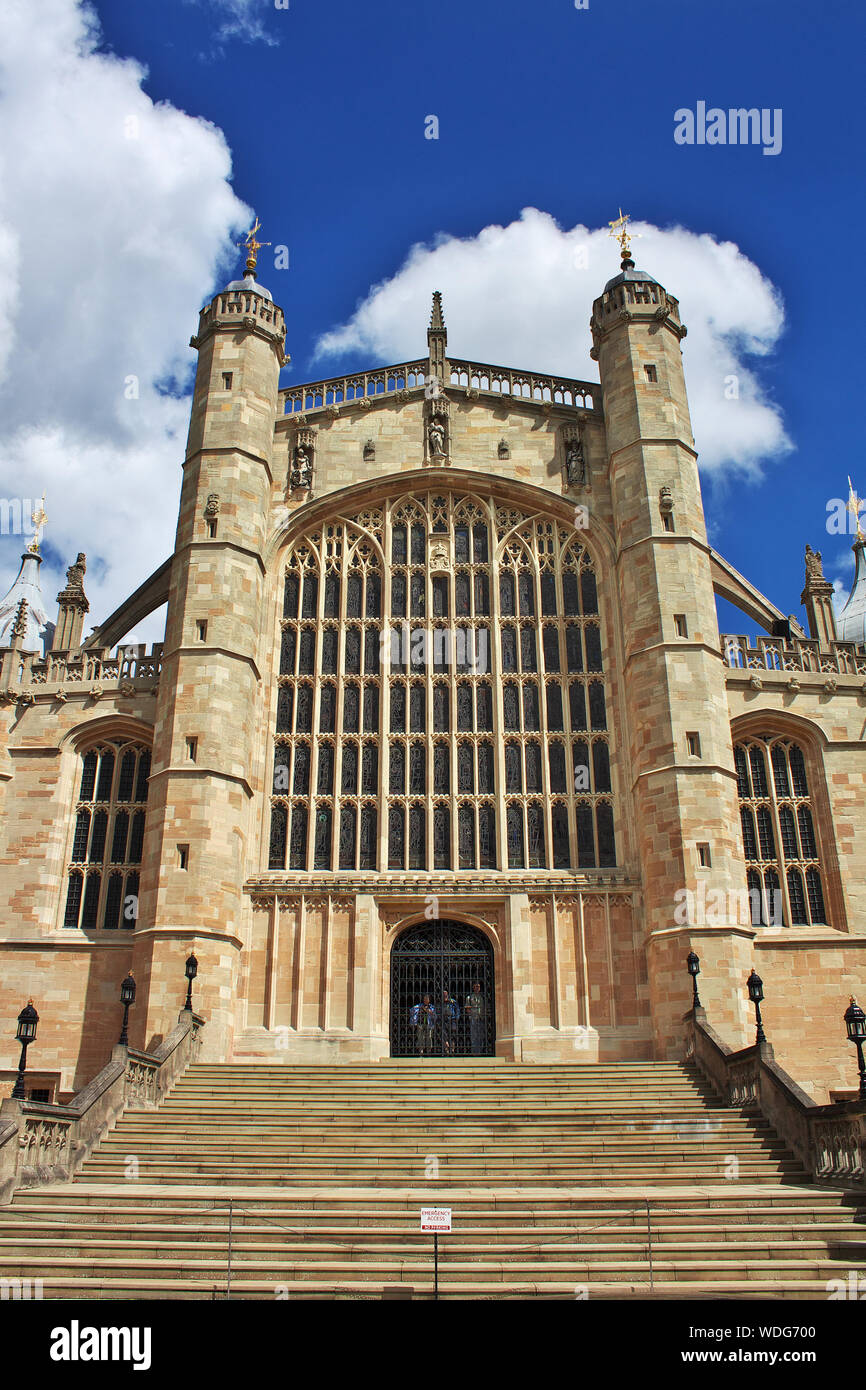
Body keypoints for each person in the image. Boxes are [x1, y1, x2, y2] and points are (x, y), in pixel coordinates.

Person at [465, 981, 485, 1055]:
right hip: (473, 1018)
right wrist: (470, 1015)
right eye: (476, 987)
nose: (477, 988)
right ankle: (475, 1052)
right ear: (473, 988)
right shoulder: (470, 997)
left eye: (478, 987)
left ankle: (480, 1051)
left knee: (481, 1035)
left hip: (481, 1018)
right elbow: (467, 1008)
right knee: (474, 1035)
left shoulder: (482, 997)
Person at [441, 989, 460, 1055]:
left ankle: (452, 1050)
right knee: (445, 1035)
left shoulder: (452, 1001)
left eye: (445, 994)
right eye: (443, 994)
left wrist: (457, 1018)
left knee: (452, 1035)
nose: (444, 995)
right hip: (444, 1020)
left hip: (452, 1020)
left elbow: (457, 1009)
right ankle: (447, 1051)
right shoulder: (441, 1002)